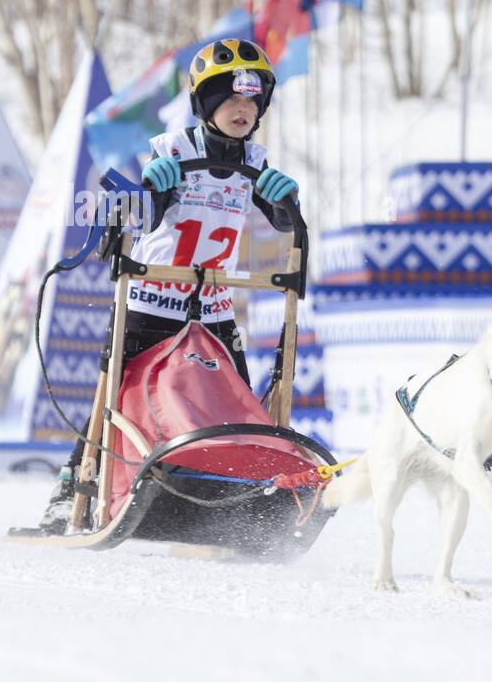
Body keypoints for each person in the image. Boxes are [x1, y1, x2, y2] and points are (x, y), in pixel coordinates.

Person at [37, 39, 303, 533]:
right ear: (205, 104)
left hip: (213, 306)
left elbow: (287, 222)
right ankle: (73, 490)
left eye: (252, 100)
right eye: (230, 99)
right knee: (111, 397)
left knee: (235, 401)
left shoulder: (257, 164)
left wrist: (287, 203)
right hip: (152, 299)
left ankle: (235, 502)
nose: (242, 109)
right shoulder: (172, 151)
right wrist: (152, 189)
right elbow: (144, 218)